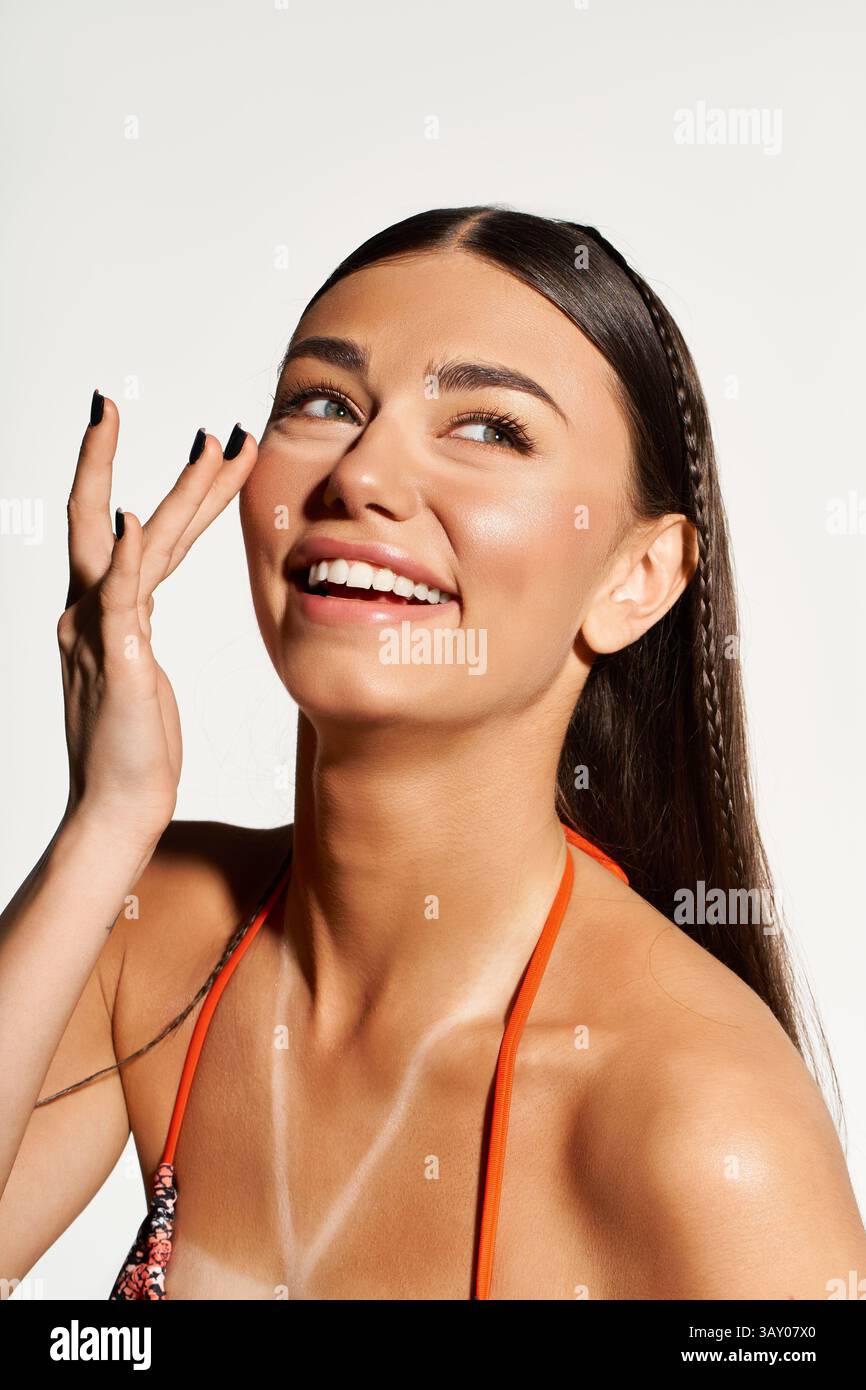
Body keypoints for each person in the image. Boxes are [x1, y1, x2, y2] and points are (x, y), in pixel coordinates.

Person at [2, 206, 865, 1300]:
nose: (361, 475)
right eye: (324, 402)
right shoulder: (148, 930)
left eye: (489, 428)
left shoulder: (701, 1127)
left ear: (634, 577)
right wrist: (104, 825)